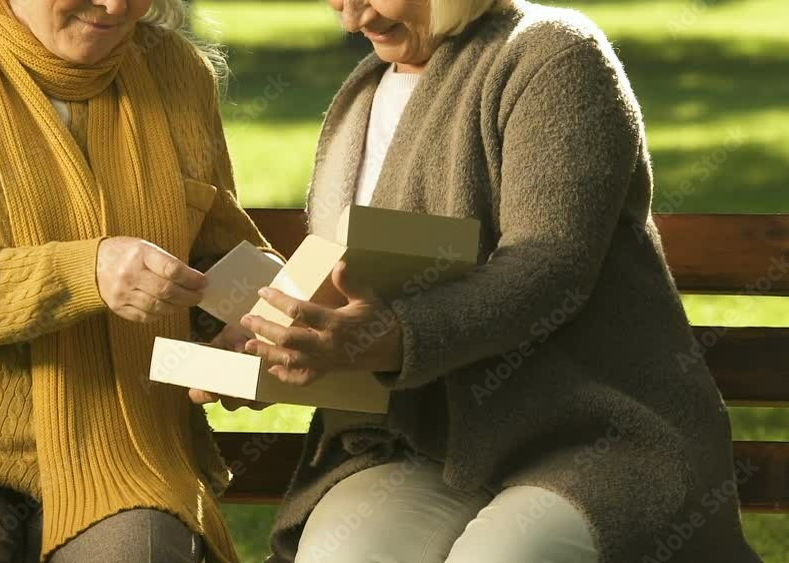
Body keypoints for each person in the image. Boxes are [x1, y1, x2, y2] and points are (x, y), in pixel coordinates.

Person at [195, 0, 763, 561]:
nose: (351, 16)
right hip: (421, 443)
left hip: (588, 435)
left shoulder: (553, 56)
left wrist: (394, 336)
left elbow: (548, 268)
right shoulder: (363, 89)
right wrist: (275, 344)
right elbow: (354, 275)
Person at [0, 0, 278, 561]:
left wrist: (241, 326)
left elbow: (223, 256)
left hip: (127, 446)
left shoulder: (173, 70)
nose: (114, 6)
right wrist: (89, 271)